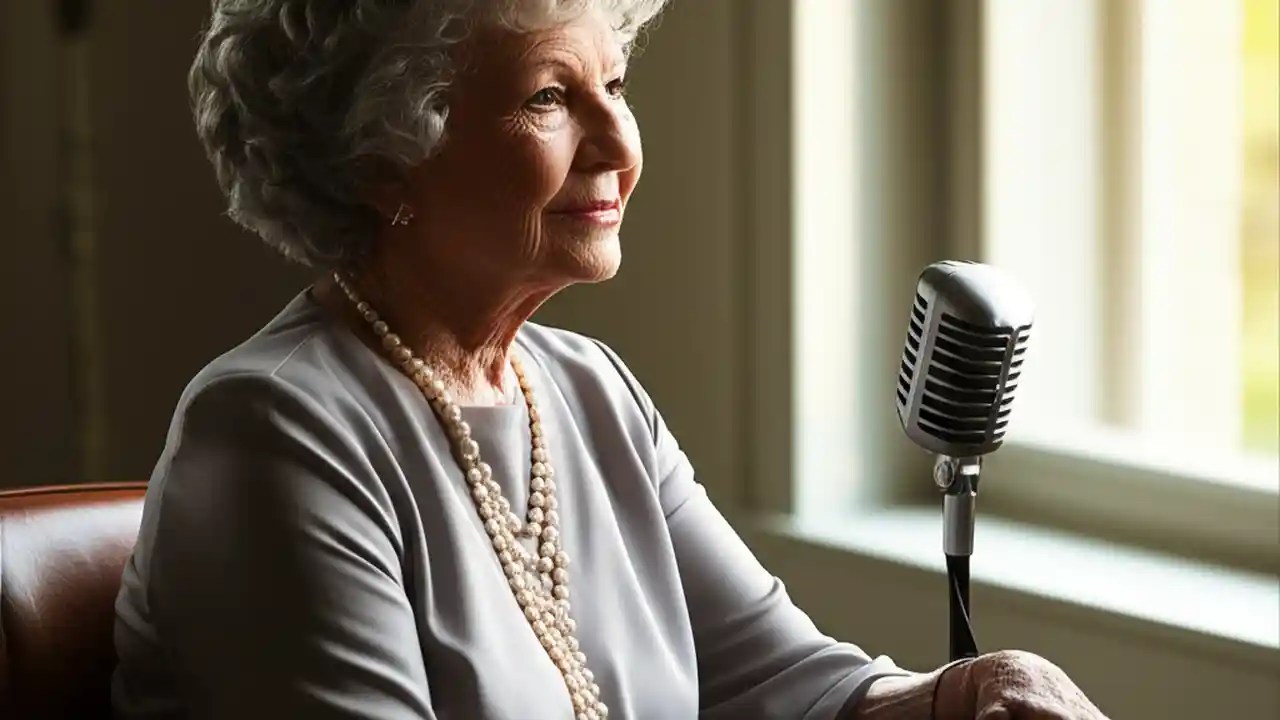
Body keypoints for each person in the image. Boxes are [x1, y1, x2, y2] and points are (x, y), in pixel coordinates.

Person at [111, 1, 1109, 718]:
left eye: (615, 84)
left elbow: (780, 681)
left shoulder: (588, 393)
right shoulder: (274, 433)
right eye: (549, 96)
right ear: (381, 157)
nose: (616, 141)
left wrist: (954, 696)